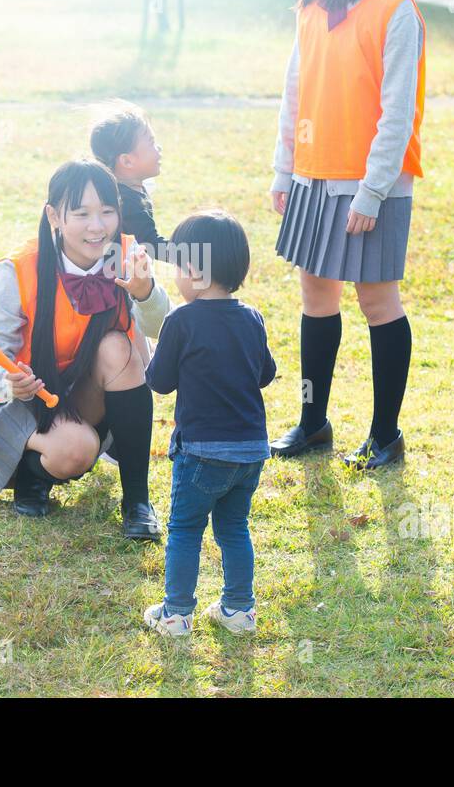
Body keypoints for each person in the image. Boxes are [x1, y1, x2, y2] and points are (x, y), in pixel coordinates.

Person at [269, 0, 426, 470]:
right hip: (312, 175)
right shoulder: (311, 3)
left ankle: (385, 435)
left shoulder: (394, 5)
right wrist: (284, 169)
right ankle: (314, 424)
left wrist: (373, 190)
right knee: (315, 295)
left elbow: (398, 109)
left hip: (371, 184)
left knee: (378, 300)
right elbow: (294, 90)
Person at [0, 159, 169, 539]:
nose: (97, 227)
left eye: (107, 211)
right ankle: (31, 472)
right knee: (77, 450)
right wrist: (9, 381)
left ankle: (137, 502)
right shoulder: (17, 270)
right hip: (21, 400)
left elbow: (162, 330)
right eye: (81, 213)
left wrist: (146, 294)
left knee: (119, 347)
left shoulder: (127, 255)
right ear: (54, 216)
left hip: (82, 392)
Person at [143, 211, 276, 636]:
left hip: (201, 451)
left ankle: (177, 613)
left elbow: (160, 383)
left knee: (185, 528)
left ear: (196, 271)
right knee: (234, 527)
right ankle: (239, 610)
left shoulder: (181, 321)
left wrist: (150, 353)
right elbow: (264, 374)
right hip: (250, 452)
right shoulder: (252, 318)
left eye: (179, 265)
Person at [89, 100, 172, 262]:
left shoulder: (130, 188)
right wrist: (196, 254)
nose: (158, 148)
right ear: (127, 161)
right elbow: (150, 245)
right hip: (115, 279)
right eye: (152, 143)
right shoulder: (125, 202)